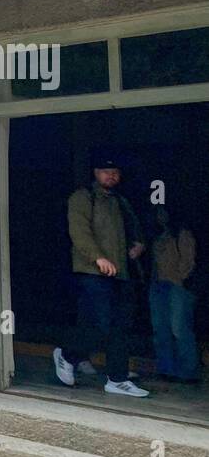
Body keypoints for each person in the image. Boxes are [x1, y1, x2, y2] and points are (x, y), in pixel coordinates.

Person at [53, 152, 150, 397]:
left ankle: (117, 379)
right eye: (106, 172)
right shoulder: (83, 197)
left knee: (120, 326)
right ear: (96, 173)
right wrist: (98, 257)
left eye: (115, 172)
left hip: (121, 273)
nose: (111, 176)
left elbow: (134, 228)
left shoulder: (120, 200)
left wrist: (139, 245)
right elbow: (79, 232)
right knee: (101, 324)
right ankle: (67, 354)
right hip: (93, 271)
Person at [148, 205, 198, 383]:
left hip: (177, 286)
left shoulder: (181, 233)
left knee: (179, 328)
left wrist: (179, 278)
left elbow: (188, 261)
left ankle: (188, 371)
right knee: (160, 329)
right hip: (158, 285)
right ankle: (166, 369)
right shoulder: (157, 236)